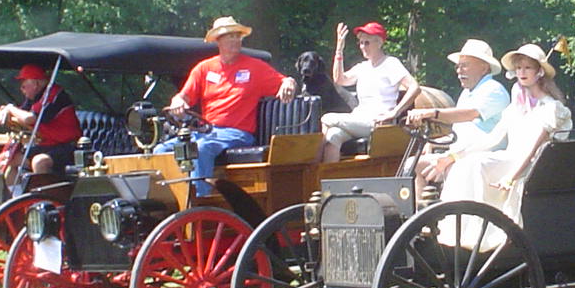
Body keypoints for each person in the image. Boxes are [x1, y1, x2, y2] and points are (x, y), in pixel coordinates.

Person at [438, 43, 572, 226]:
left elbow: (533, 150)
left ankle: (477, 226)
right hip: (509, 158)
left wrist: (511, 177)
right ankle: (453, 224)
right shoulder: (515, 108)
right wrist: (454, 155)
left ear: (539, 72)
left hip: (531, 166)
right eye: (518, 68)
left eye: (527, 68)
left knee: (477, 165)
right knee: (465, 163)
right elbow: (492, 138)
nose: (522, 72)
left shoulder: (550, 108)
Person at [165, 16, 296, 191]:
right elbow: (183, 97)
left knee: (201, 148)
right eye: (230, 36)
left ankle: (200, 203)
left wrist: (289, 83)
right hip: (206, 132)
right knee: (161, 150)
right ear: (218, 40)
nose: (235, 39)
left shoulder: (255, 67)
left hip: (238, 134)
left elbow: (285, 81)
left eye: (237, 36)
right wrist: (178, 102)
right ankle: (172, 202)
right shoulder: (204, 68)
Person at [404, 39, 511, 189]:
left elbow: (469, 114)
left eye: (465, 65)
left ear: (484, 67)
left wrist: (431, 113)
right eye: (458, 66)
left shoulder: (494, 90)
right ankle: (420, 210)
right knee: (412, 164)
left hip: (484, 156)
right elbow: (460, 132)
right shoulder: (466, 93)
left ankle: (445, 210)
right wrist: (433, 142)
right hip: (461, 154)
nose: (459, 70)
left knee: (450, 167)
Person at [318, 21, 420, 163]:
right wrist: (339, 49)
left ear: (379, 43)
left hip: (378, 123)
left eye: (367, 43)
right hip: (359, 119)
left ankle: (312, 165)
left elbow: (415, 87)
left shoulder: (391, 64)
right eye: (360, 43)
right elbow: (339, 79)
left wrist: (395, 112)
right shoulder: (362, 67)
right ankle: (326, 181)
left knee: (327, 118)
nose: (362, 47)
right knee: (332, 137)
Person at [0, 63, 81, 174]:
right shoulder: (33, 97)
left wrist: (10, 108)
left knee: (39, 162)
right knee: (8, 158)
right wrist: (4, 113)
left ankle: (43, 191)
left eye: (23, 85)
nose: (22, 89)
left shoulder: (53, 95)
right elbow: (20, 116)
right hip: (48, 145)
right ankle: (12, 191)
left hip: (68, 147)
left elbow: (29, 119)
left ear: (35, 83)